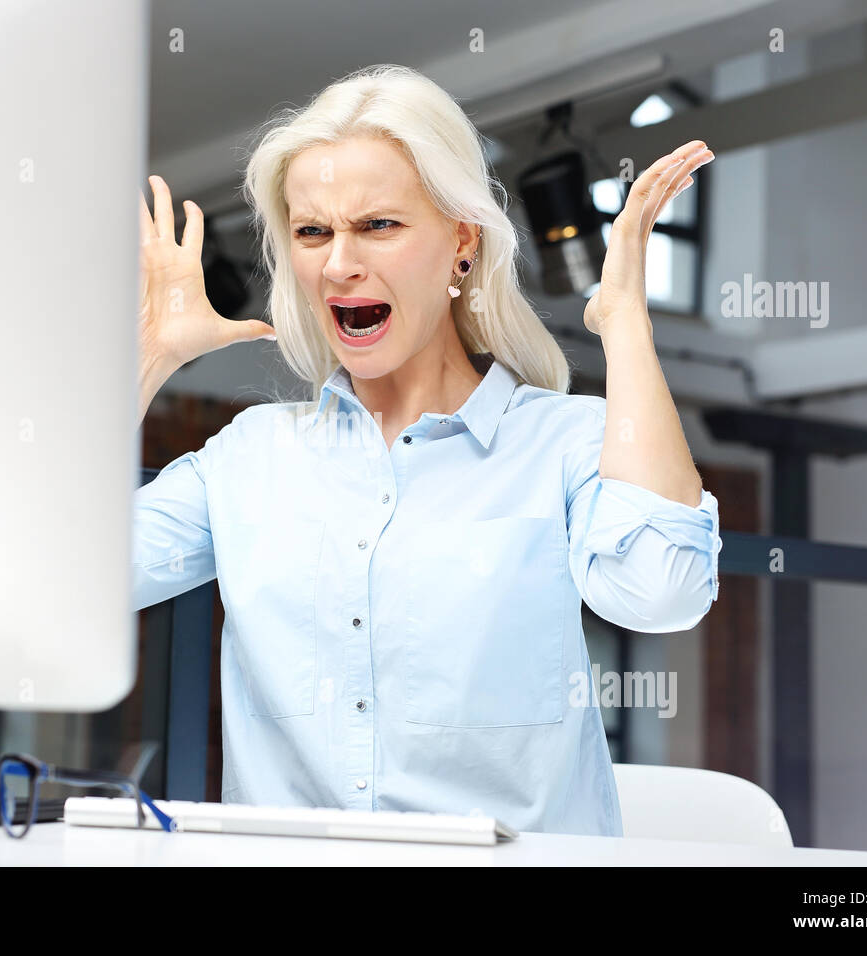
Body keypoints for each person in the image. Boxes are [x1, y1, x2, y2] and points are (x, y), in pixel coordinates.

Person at [133, 64, 721, 836]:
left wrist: (624, 325)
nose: (339, 262)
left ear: (461, 244)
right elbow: (58, 590)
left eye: (378, 225)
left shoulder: (565, 441)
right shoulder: (249, 457)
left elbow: (663, 589)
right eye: (313, 232)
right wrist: (145, 357)